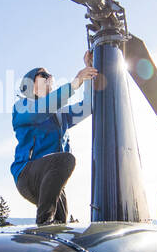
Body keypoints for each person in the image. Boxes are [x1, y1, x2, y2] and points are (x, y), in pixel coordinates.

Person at [11, 51, 98, 224]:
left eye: (51, 75)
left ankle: (50, 238)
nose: (49, 77)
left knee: (61, 222)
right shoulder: (22, 107)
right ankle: (43, 223)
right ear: (29, 83)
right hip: (27, 176)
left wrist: (89, 71)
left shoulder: (60, 114)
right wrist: (75, 82)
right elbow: (40, 111)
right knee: (65, 160)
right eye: (43, 74)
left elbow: (88, 106)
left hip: (51, 179)